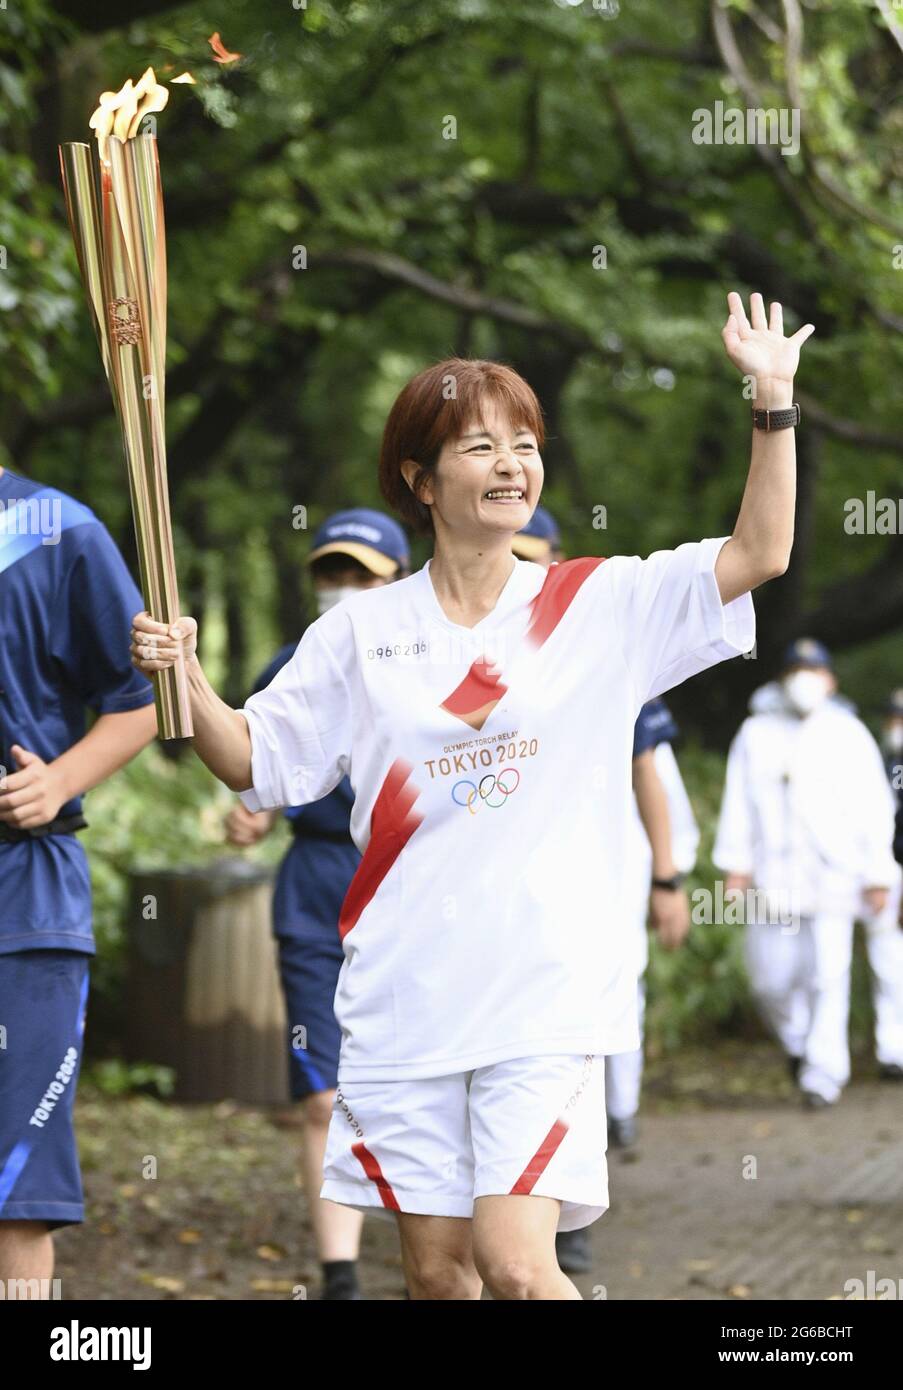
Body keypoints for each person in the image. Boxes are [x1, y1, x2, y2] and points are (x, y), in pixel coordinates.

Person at [131, 291, 809, 1299]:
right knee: (439, 1273)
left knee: (519, 1267)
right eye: (481, 445)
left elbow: (760, 553)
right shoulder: (358, 634)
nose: (511, 464)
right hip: (404, 997)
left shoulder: (595, 602)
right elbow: (254, 760)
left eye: (525, 444)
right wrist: (185, 676)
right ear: (420, 477)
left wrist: (771, 402)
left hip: (539, 991)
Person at [224, 509, 409, 1299]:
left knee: (413, 1089)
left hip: (409, 883)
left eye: (362, 576)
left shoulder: (436, 661)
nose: (344, 589)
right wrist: (249, 812)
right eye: (333, 574)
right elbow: (254, 766)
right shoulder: (289, 663)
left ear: (399, 578)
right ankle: (339, 1273)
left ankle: (441, 1249)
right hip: (315, 884)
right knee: (323, 1095)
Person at [0, 465, 158, 1297]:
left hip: (22, 897)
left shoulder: (53, 527)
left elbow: (141, 699)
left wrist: (58, 781)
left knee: (15, 1189)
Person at [713, 638, 900, 1108]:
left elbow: (875, 807)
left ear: (830, 680)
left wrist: (878, 870)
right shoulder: (755, 733)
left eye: (813, 670)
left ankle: (823, 1074)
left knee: (829, 973)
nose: (804, 678)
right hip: (773, 877)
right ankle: (798, 1043)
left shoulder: (849, 732)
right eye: (795, 668)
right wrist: (735, 867)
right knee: (769, 979)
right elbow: (738, 803)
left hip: (836, 873)